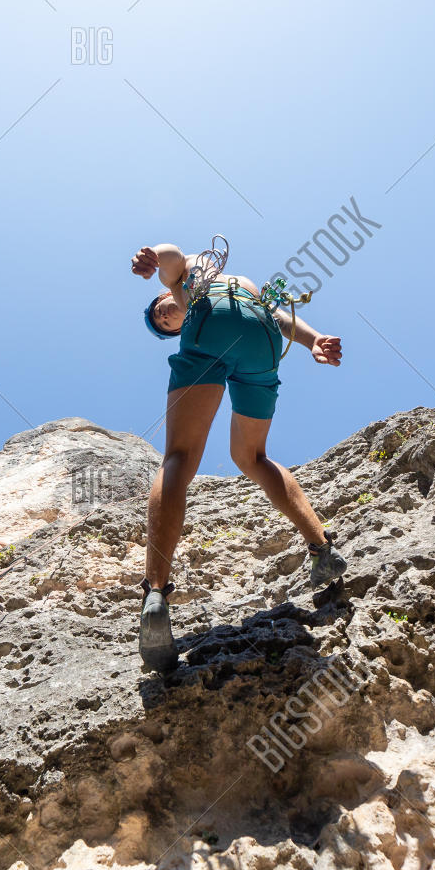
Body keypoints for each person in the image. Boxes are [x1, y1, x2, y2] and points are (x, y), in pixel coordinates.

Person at [131, 242, 348, 672]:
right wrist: (311, 340)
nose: (165, 317)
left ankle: (155, 591)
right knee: (251, 457)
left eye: (161, 312)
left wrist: (154, 255)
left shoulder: (189, 280)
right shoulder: (234, 280)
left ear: (165, 297)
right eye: (163, 324)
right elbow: (274, 311)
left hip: (214, 322)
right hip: (261, 338)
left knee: (178, 456)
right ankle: (323, 550)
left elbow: (174, 256)